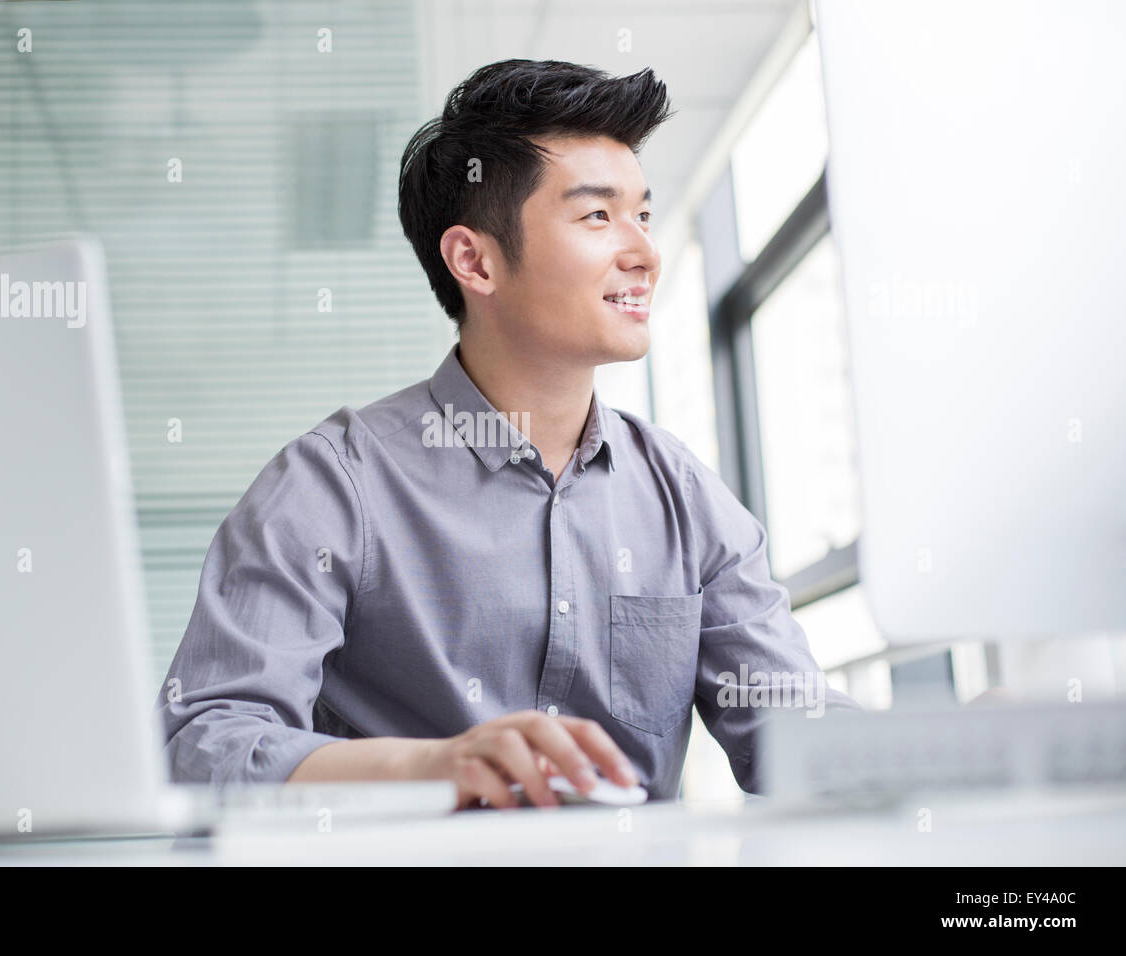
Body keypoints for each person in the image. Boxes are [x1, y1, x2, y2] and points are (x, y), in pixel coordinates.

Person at [157, 58, 859, 810]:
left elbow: (794, 731)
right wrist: (431, 770)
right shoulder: (333, 485)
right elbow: (205, 742)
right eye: (598, 216)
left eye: (643, 216)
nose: (644, 253)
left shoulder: (684, 499)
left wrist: (956, 748)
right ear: (475, 261)